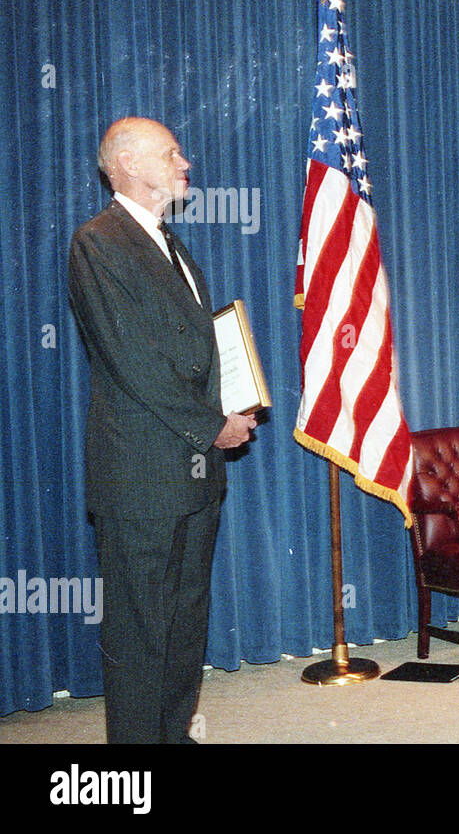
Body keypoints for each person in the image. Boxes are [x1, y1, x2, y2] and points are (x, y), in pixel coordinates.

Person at [68, 117, 257, 742]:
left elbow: (192, 351)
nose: (187, 163)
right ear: (124, 165)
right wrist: (213, 426)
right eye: (171, 153)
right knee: (139, 632)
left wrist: (236, 403)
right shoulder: (97, 242)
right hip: (141, 477)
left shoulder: (171, 243)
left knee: (182, 625)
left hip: (193, 476)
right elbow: (135, 361)